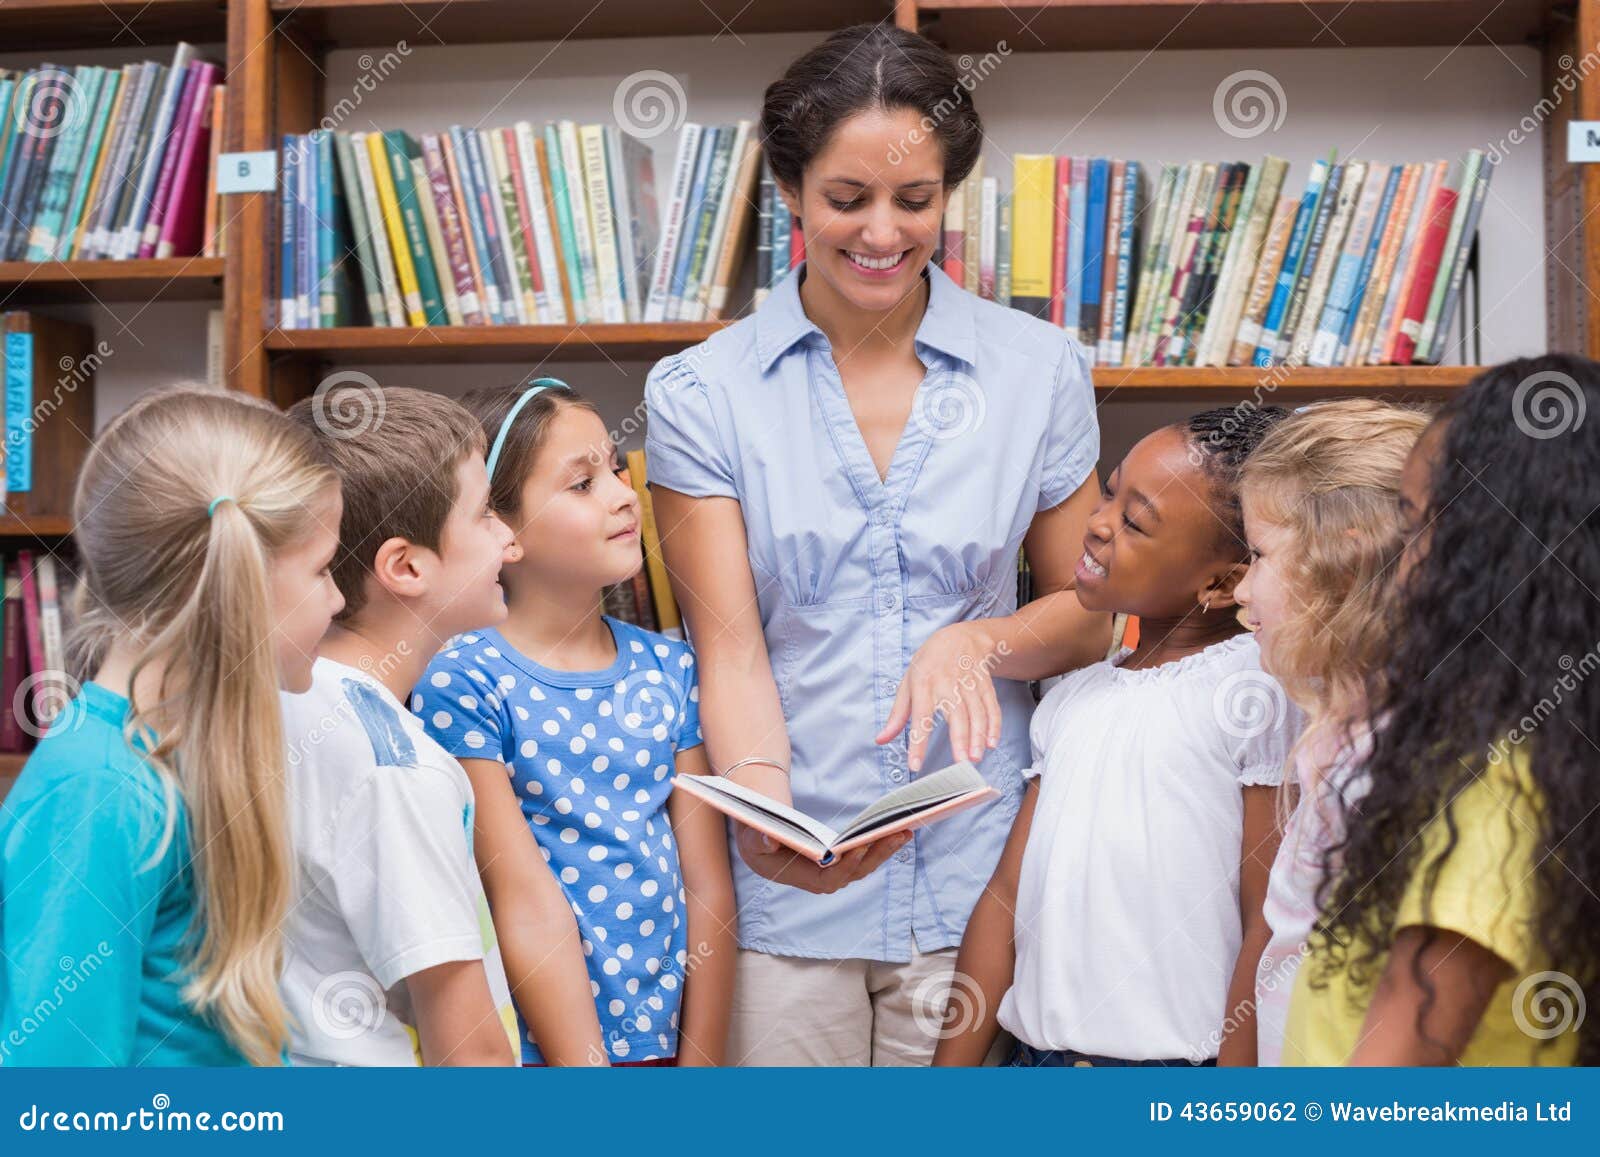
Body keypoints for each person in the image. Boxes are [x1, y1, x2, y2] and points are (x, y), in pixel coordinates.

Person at [645, 22, 1107, 1066]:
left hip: (976, 874)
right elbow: (731, 646)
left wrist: (977, 642)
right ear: (790, 192)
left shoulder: (1038, 370)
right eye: (845, 199)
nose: (882, 234)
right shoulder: (699, 392)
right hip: (787, 877)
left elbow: (1091, 613)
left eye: (915, 201)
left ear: (951, 192)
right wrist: (765, 804)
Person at [935, 407, 1299, 1067]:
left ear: (1221, 582)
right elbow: (1004, 900)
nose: (1099, 523)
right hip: (1036, 1064)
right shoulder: (1074, 695)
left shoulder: (1257, 691)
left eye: (1135, 522)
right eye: (1111, 491)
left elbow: (1265, 923)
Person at [0, 386, 343, 1066]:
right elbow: (56, 1103)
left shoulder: (180, 751)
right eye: (324, 568)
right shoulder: (100, 792)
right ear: (238, 578)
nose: (337, 597)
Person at [1287, 356, 1599, 1065]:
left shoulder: (1498, 791)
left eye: (1417, 521)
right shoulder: (1546, 755)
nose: (1403, 566)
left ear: (1490, 558)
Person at [418, 380, 736, 1065]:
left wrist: (700, 1067)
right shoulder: (465, 680)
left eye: (617, 467)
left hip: (664, 1053)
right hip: (542, 1061)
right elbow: (516, 895)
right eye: (583, 483)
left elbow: (707, 884)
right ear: (501, 527)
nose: (625, 493)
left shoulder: (670, 668)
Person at [278, 386, 590, 1065]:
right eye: (483, 516)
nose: (510, 539)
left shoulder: (284, 701)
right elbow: (469, 1050)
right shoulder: (397, 767)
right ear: (407, 567)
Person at [1226, 400, 1428, 1065]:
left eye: (1259, 555)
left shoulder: (1397, 764)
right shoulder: (1337, 739)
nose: (1241, 590)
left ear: (1342, 564)